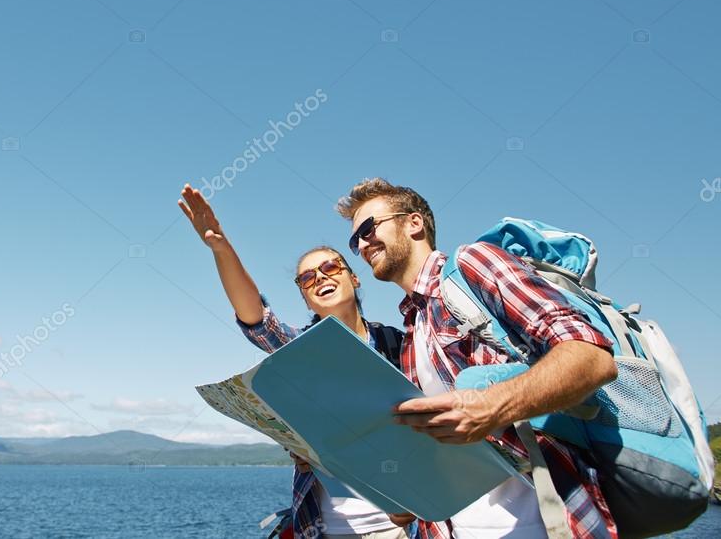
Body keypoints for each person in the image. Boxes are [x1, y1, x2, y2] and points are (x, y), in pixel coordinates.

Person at [337, 178, 619, 539]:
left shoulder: (472, 263)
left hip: (546, 523)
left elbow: (591, 356)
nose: (361, 244)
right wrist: (408, 498)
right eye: (354, 239)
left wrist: (490, 407)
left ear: (414, 223)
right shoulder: (412, 331)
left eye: (368, 228)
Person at [179, 184, 413, 539]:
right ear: (305, 298)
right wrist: (221, 247)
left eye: (331, 267)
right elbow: (255, 318)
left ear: (353, 277)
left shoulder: (399, 343)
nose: (320, 278)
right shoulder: (297, 349)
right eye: (307, 277)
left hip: (403, 526)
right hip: (324, 527)